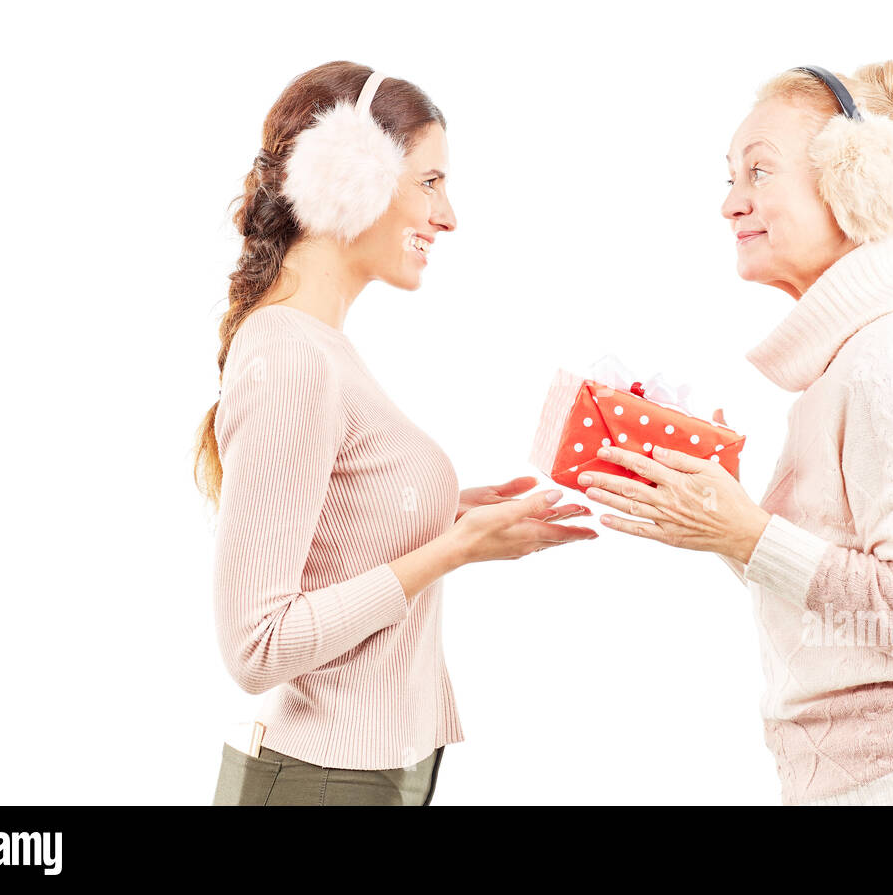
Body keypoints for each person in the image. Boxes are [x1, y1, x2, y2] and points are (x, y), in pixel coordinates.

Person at [579, 61, 893, 805]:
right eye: (731, 175)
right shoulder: (849, 367)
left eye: (760, 170)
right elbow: (844, 602)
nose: (730, 203)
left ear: (852, 187)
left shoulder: (892, 361)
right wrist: (725, 524)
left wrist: (748, 535)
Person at [192, 61, 597, 806]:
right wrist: (454, 550)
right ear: (350, 177)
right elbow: (256, 647)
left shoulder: (317, 349)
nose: (449, 218)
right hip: (324, 783)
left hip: (366, 776)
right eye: (431, 182)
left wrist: (450, 517)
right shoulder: (289, 355)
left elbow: (333, 544)